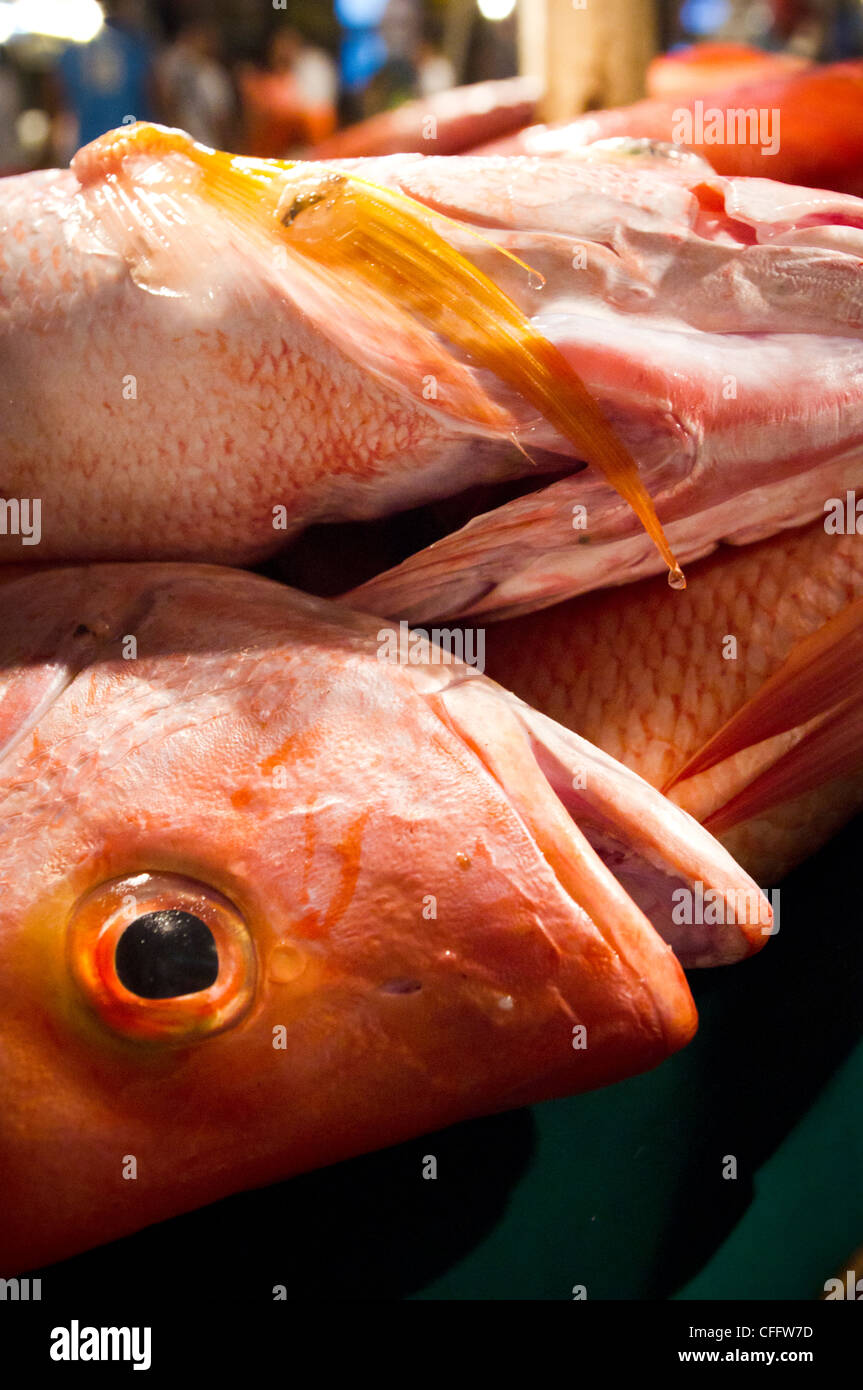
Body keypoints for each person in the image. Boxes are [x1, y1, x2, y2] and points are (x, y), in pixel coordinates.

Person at [54, 0, 155, 154]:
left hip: (89, 144)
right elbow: (150, 92)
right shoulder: (135, 45)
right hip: (133, 141)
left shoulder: (73, 50)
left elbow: (61, 99)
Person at [156, 21, 235, 147]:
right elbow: (162, 99)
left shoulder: (213, 75)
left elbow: (221, 120)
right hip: (176, 143)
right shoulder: (171, 64)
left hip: (207, 145)